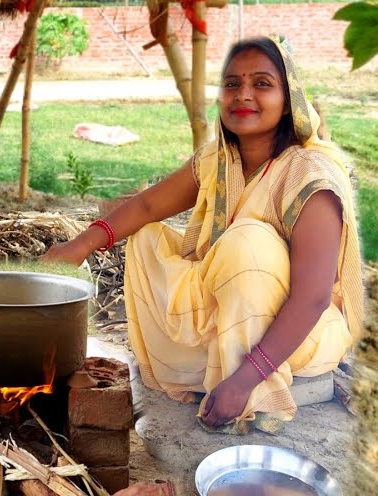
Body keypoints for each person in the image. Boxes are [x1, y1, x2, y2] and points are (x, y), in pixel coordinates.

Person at [44, 37, 361, 429]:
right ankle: (210, 369)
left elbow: (312, 299)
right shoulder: (219, 159)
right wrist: (79, 246)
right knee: (148, 240)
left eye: (262, 83)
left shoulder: (311, 174)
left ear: (289, 102)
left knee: (248, 241)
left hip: (298, 334)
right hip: (231, 314)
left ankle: (248, 384)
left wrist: (245, 379)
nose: (243, 94)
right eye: (232, 84)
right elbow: (147, 206)